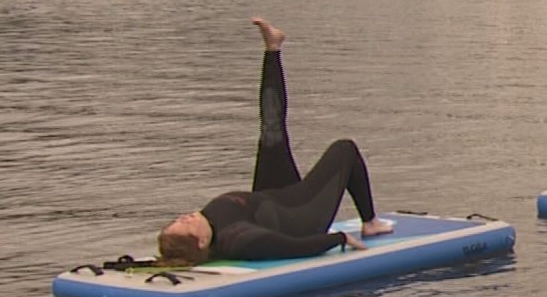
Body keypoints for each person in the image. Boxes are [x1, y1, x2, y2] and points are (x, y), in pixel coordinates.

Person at [156, 18, 393, 265]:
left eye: (176, 220)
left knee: (271, 127)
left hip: (273, 199)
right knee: (345, 149)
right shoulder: (241, 239)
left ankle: (273, 48)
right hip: (302, 216)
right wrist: (339, 239)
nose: (183, 217)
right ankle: (371, 223)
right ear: (202, 242)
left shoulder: (211, 227)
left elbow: (174, 252)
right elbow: (295, 247)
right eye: (184, 224)